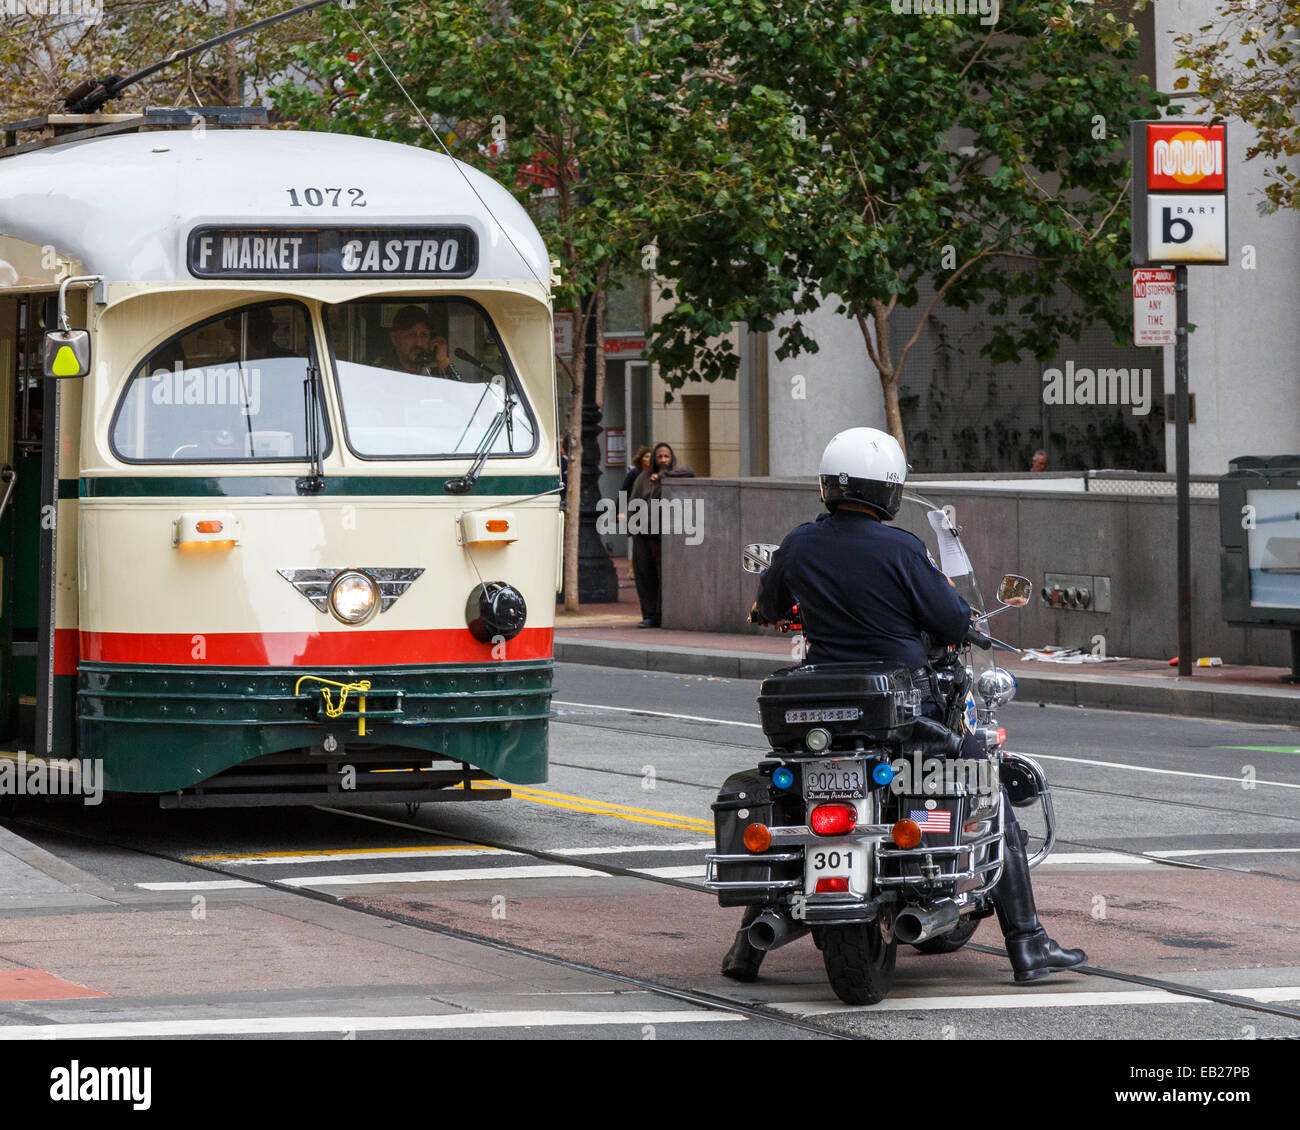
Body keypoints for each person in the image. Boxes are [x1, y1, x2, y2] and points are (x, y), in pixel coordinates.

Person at [723, 426, 1086, 985]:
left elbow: (769, 604)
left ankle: (745, 952)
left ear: (828, 485)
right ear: (889, 491)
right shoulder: (902, 548)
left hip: (814, 715)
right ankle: (1029, 945)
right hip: (902, 709)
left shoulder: (797, 544)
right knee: (981, 779)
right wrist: (964, 624)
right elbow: (947, 618)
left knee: (795, 798)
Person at [628, 441, 694, 628]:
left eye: (666, 456)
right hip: (643, 534)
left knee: (664, 575)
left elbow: (690, 471)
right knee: (645, 575)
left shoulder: (674, 475)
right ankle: (649, 615)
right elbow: (633, 501)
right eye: (660, 457)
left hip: (664, 535)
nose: (663, 460)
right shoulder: (642, 478)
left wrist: (664, 476)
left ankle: (663, 614)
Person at [373, 305, 462, 379]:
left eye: (424, 335)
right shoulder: (380, 372)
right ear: (395, 338)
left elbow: (461, 396)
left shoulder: (434, 369)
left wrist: (444, 361)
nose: (419, 343)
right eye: (411, 335)